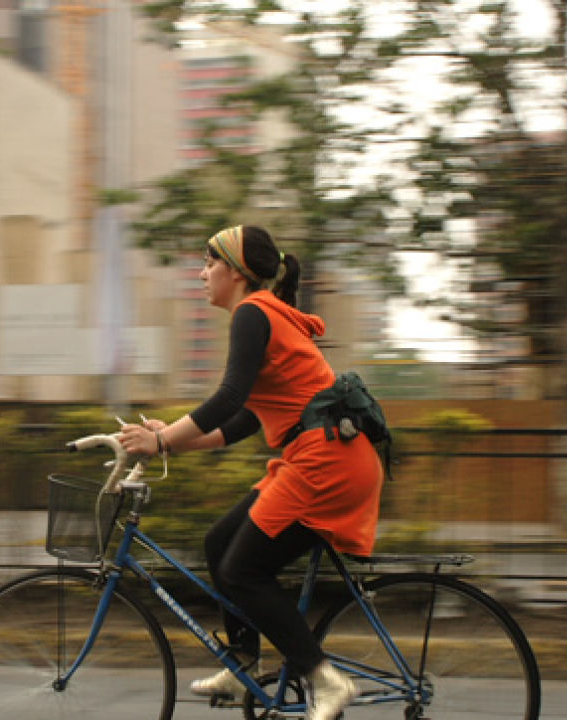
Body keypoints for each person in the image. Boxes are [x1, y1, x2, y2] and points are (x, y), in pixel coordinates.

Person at [117, 225, 384, 720]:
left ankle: (324, 679)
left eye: (209, 263)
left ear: (236, 273)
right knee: (220, 545)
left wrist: (163, 439)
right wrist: (171, 437)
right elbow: (241, 421)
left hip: (326, 464)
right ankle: (243, 660)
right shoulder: (266, 315)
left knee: (243, 570)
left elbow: (228, 398)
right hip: (317, 458)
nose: (201, 274)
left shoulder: (253, 313)